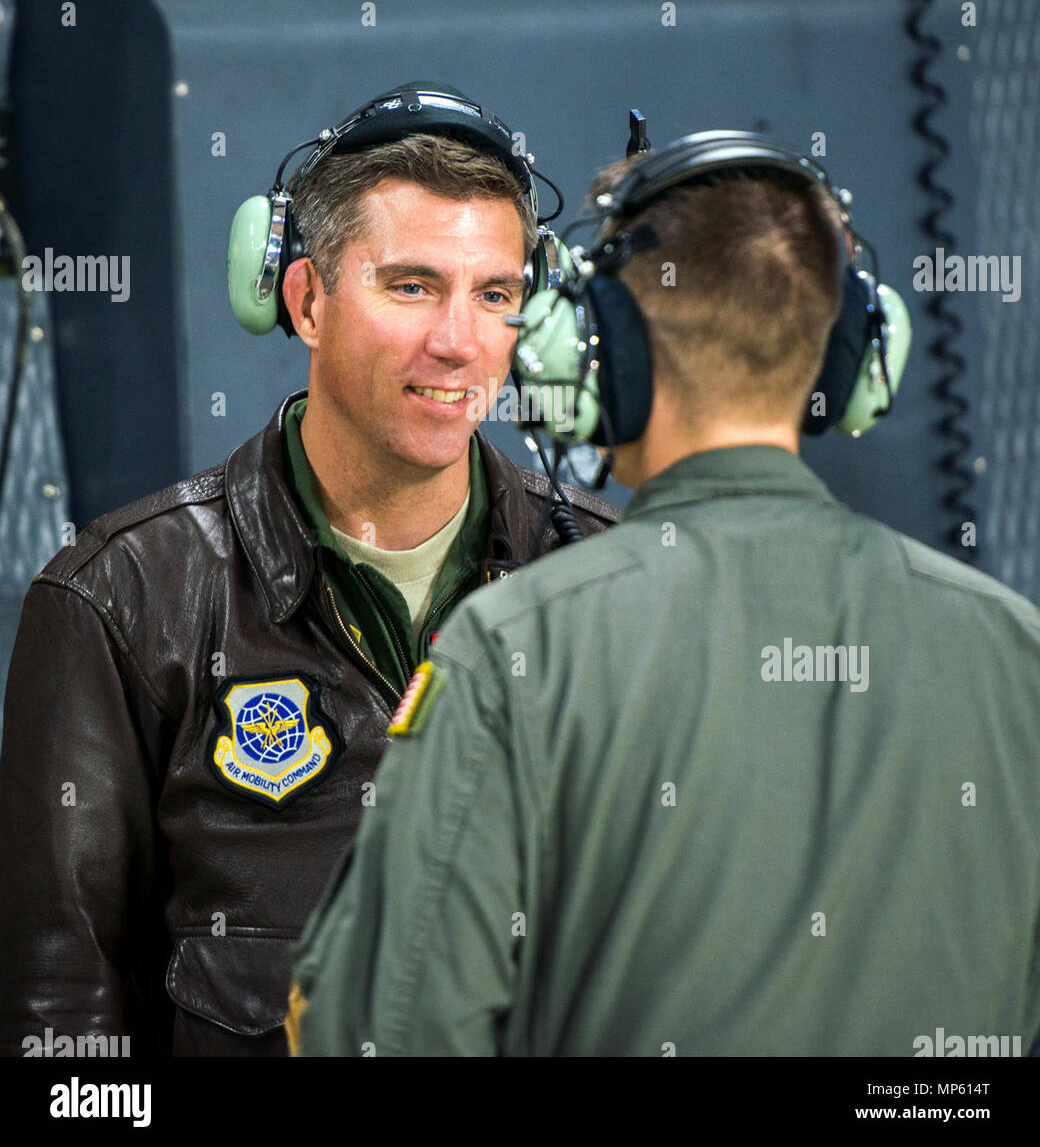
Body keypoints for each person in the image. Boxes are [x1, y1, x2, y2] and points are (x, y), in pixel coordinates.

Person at [290, 129, 1040, 1057]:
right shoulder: (1013, 650)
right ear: (850, 359)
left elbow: (379, 1034)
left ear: (602, 342)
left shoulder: (521, 647)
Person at [0, 82, 619, 1058]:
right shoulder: (121, 596)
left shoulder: (604, 580)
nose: (457, 342)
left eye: (494, 295)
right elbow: (60, 1012)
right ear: (305, 300)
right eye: (410, 285)